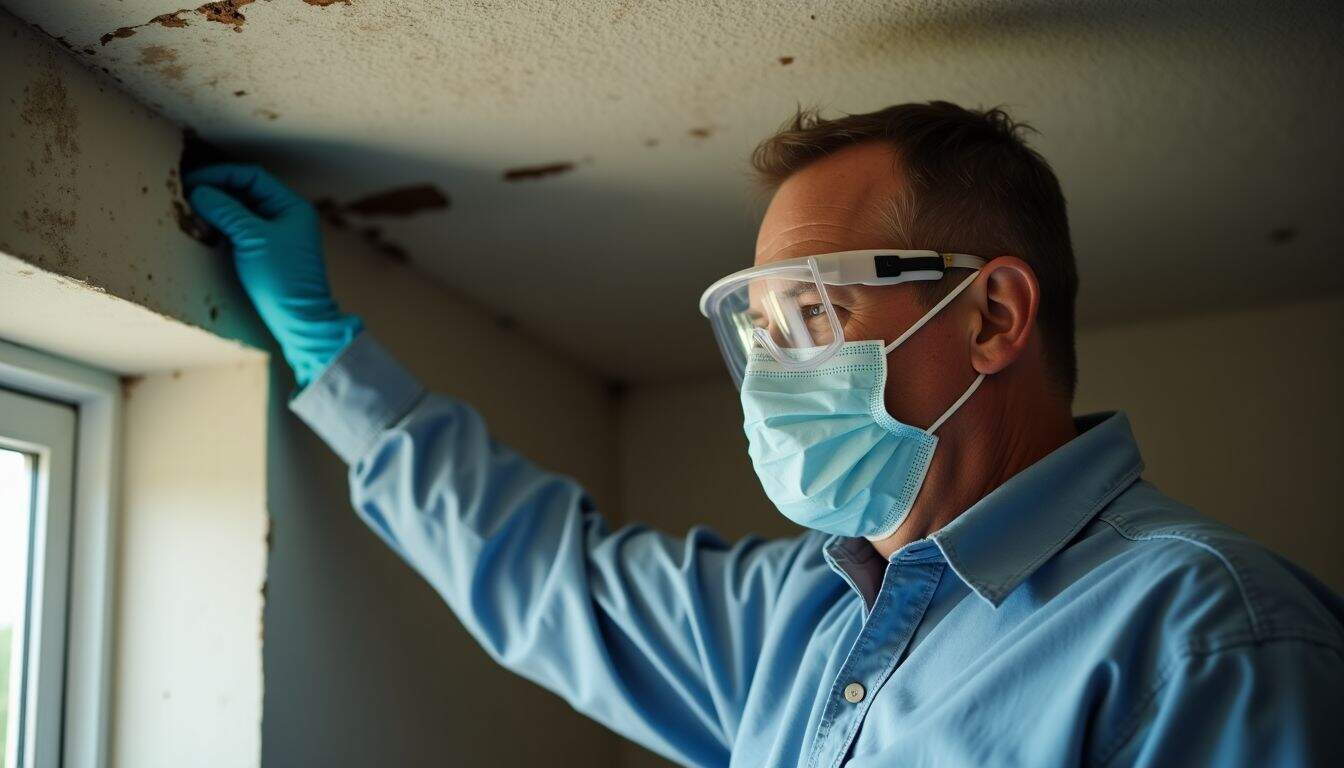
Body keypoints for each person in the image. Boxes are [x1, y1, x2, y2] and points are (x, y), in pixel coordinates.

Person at [186, 101, 1344, 767]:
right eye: (760, 326)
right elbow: (545, 576)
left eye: (817, 314)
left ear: (991, 316)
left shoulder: (1210, 634)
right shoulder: (795, 621)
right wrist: (329, 353)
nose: (771, 374)